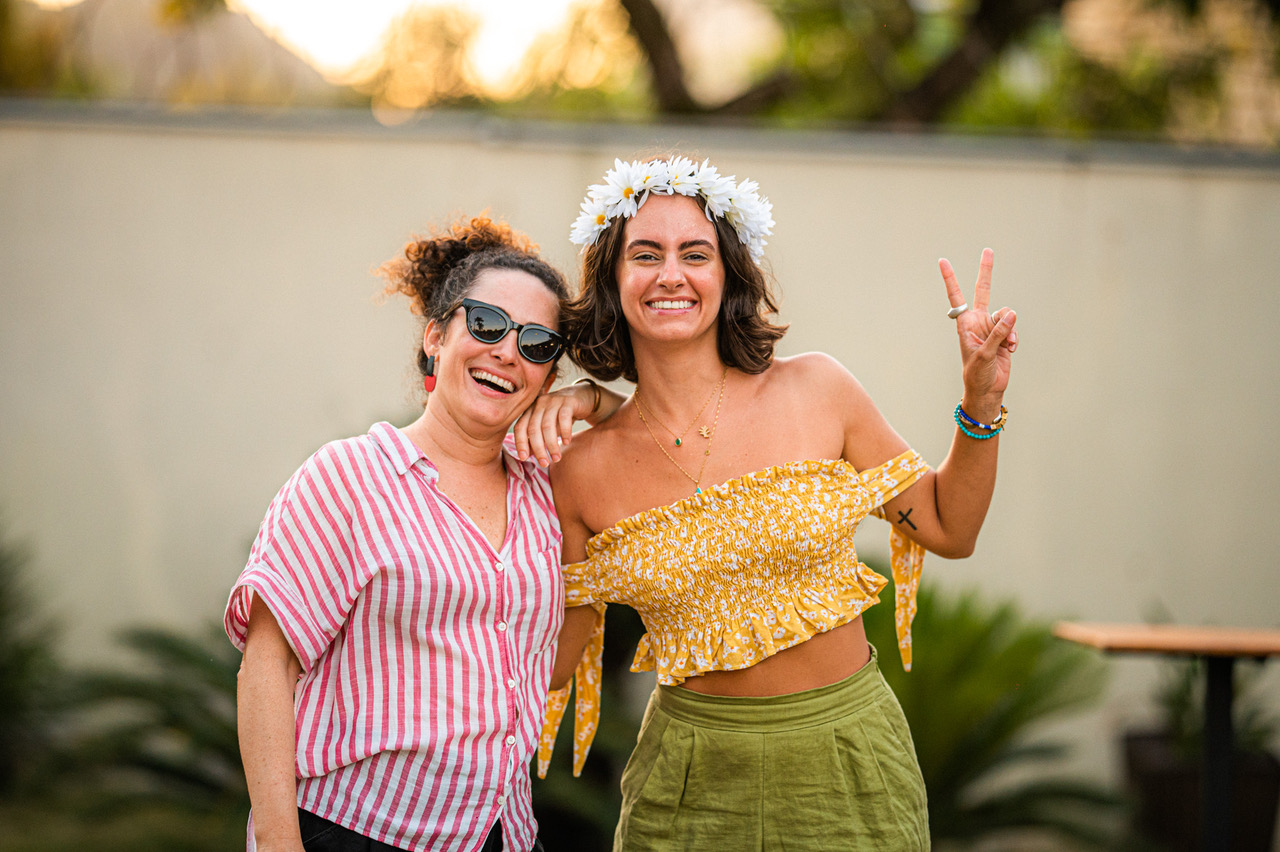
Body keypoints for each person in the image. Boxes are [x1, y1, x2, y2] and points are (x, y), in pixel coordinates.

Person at [534, 156, 1019, 851]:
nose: (671, 274)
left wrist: (982, 400)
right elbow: (551, 663)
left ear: (728, 275)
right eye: (645, 254)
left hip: (847, 763)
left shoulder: (818, 391)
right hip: (686, 784)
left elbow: (948, 525)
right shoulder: (579, 469)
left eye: (694, 254)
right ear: (612, 280)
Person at [225, 216, 615, 852]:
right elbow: (268, 664)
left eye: (537, 343)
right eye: (486, 324)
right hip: (359, 832)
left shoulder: (548, 490)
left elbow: (655, 440)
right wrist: (275, 841)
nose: (507, 351)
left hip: (506, 836)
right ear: (436, 336)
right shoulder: (347, 476)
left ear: (547, 376)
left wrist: (590, 400)